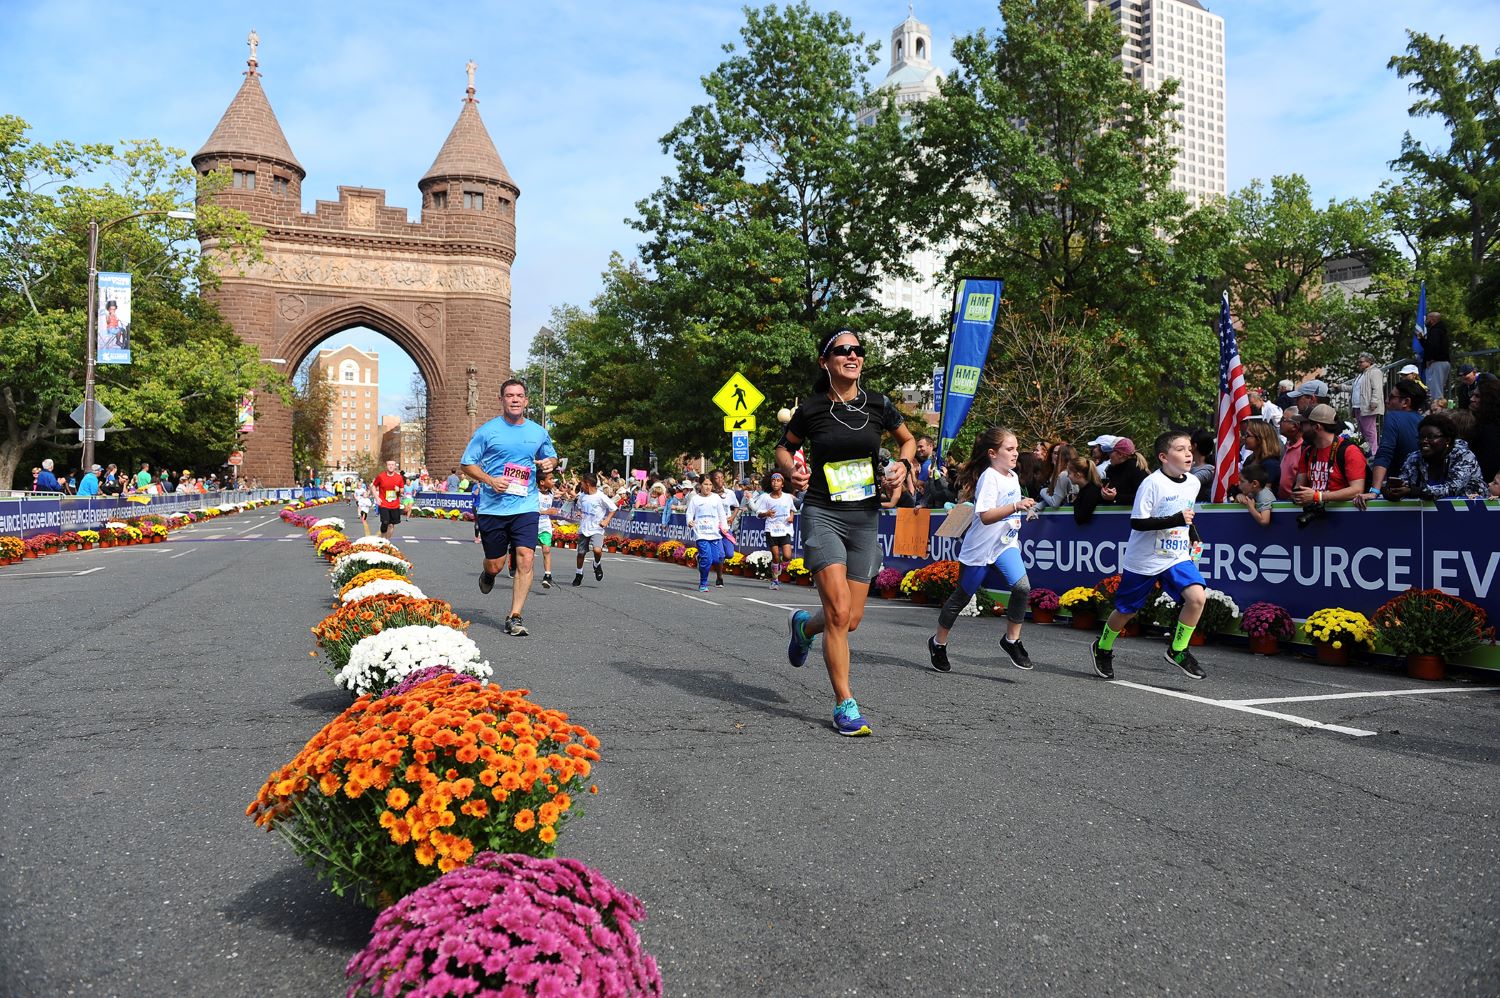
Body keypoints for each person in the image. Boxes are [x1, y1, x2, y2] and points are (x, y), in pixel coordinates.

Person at [776, 329, 915, 737]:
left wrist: (903, 467)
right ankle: (845, 703)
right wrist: (791, 469)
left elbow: (907, 442)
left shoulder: (880, 405)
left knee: (849, 620)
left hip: (865, 517)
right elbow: (784, 447)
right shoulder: (812, 408)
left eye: (857, 351)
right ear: (826, 361)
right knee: (837, 611)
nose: (852, 356)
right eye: (842, 351)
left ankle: (803, 626)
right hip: (823, 513)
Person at [1089, 431, 1209, 682]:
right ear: (1164, 457)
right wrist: (1177, 520)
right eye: (1180, 449)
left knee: (1197, 597)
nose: (1188, 453)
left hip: (1176, 555)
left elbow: (1186, 516)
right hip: (1145, 559)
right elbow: (1138, 522)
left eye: (1189, 448)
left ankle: (1177, 650)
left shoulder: (1193, 482)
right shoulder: (1152, 483)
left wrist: (1193, 534)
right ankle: (1103, 646)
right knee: (1126, 610)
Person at [927, 427, 1038, 674]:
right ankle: (938, 643)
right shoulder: (989, 477)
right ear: (992, 453)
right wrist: (1015, 506)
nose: (1016, 453)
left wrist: (1025, 510)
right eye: (1009, 449)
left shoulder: (1012, 476)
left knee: (1022, 588)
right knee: (961, 598)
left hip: (1004, 545)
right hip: (979, 548)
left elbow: (1010, 508)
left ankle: (1011, 640)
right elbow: (986, 516)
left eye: (1017, 448)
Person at [461, 379, 558, 635]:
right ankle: (488, 575)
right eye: (509, 395)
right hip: (494, 508)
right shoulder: (487, 431)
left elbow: (551, 456)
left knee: (526, 557)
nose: (515, 399)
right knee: (496, 564)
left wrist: (550, 463)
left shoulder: (538, 432)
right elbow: (467, 463)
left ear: (526, 401)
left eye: (519, 395)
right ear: (501, 399)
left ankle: (515, 616)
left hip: (526, 504)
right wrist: (490, 480)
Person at [1383, 412, 1485, 501]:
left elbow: (1452, 489)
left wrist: (1414, 491)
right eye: (1421, 437)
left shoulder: (1464, 456)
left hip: (1470, 514)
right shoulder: (1414, 458)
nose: (1424, 441)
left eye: (1431, 437)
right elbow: (1404, 483)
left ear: (1447, 440)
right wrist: (1394, 491)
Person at [1292, 404, 1367, 512]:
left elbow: (1357, 489)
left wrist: (1318, 496)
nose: (1300, 428)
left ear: (1317, 427)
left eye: (1303, 424)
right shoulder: (1308, 452)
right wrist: (1297, 494)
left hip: (1344, 515)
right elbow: (1299, 486)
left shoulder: (1349, 451)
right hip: (1315, 515)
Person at [1365, 380, 1428, 499]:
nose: (1387, 401)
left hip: (1399, 492)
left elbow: (1385, 452)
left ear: (1406, 402)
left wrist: (1374, 491)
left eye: (1391, 397)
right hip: (1423, 492)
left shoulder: (1393, 416)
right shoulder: (1425, 421)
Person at [570, 472, 616, 587]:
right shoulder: (582, 496)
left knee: (597, 550)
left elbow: (613, 508)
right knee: (581, 553)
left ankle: (597, 564)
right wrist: (579, 512)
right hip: (584, 528)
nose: (581, 485)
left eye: (582, 483)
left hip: (597, 528)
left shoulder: (600, 496)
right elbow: (579, 507)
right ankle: (579, 574)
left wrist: (606, 521)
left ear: (588, 484)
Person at [685, 475, 728, 593]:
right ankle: (703, 583)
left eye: (710, 485)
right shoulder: (695, 499)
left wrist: (724, 527)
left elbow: (722, 514)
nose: (708, 487)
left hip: (714, 533)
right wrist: (689, 521)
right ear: (700, 485)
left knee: (718, 558)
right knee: (707, 560)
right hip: (701, 534)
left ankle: (700, 558)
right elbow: (689, 513)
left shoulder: (716, 498)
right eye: (705, 484)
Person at [755, 471, 796, 590]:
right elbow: (758, 514)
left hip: (785, 529)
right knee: (776, 556)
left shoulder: (787, 497)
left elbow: (792, 509)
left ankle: (778, 568)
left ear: (782, 484)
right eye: (773, 480)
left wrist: (791, 517)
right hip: (771, 529)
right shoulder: (766, 497)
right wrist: (766, 513)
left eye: (778, 481)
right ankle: (775, 580)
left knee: (787, 556)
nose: (775, 483)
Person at [1350, 352, 1385, 455]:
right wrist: (1340, 388)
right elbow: (1355, 389)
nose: (1359, 364)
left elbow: (1377, 388)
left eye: (1361, 362)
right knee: (1363, 431)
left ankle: (1374, 452)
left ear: (1369, 362)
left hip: (1367, 407)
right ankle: (1366, 451)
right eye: (1358, 362)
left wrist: (1374, 401)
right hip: (1358, 406)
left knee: (1369, 431)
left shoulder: (1375, 372)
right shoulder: (1361, 374)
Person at [1240, 419, 1284, 499]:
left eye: (1248, 435)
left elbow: (1264, 493)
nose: (1244, 438)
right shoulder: (1249, 461)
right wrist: (1239, 494)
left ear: (1260, 439)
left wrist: (1245, 495)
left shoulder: (1270, 464)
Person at [1100, 438, 1146, 509]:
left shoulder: (1136, 470)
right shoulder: (1111, 469)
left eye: (1110, 452)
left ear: (1120, 454)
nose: (1108, 455)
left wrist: (1115, 497)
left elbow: (1145, 498)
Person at [535, 469, 560, 589]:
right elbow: (530, 511)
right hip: (532, 525)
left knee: (546, 550)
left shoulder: (551, 493)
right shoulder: (534, 494)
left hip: (545, 525)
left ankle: (548, 575)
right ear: (542, 482)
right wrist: (546, 511)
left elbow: (564, 495)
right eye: (550, 479)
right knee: (526, 553)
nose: (553, 481)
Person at [370, 460, 406, 539]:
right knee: (385, 522)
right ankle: (383, 539)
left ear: (395, 466)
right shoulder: (381, 476)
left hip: (395, 504)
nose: (391, 466)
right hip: (384, 503)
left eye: (392, 465)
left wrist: (399, 490)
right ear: (386, 466)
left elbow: (402, 490)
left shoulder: (399, 477)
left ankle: (387, 542)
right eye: (389, 465)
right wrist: (377, 498)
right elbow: (373, 486)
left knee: (391, 524)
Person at [1421, 311, 1451, 403]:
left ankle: (1436, 411)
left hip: (1437, 363)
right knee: (1438, 388)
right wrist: (1422, 340)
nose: (1426, 321)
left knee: (1435, 390)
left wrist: (1430, 358)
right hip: (1443, 362)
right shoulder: (1441, 331)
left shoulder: (1435, 331)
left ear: (1433, 319)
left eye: (1428, 319)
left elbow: (1433, 346)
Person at [1234, 462, 1276, 527]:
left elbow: (1265, 521)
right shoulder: (1253, 492)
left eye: (1242, 481)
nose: (1239, 484)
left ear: (1255, 484)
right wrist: (1239, 496)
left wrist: (1251, 508)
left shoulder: (1265, 496)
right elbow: (1246, 498)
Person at [1277, 411, 1306, 501]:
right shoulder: (1287, 445)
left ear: (1295, 426)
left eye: (1283, 420)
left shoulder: (1304, 449)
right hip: (1283, 503)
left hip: (1296, 504)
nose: (1279, 423)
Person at [1039, 443, 1078, 508]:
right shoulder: (1056, 474)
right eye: (1054, 453)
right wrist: (1036, 507)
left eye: (1059, 454)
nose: (1056, 456)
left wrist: (1043, 491)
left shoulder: (1064, 474)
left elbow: (1055, 503)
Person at [1067, 457, 1104, 525]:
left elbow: (1080, 518)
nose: (1068, 476)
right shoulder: (1085, 489)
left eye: (1069, 473)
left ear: (1078, 475)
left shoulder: (1092, 491)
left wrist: (1076, 501)